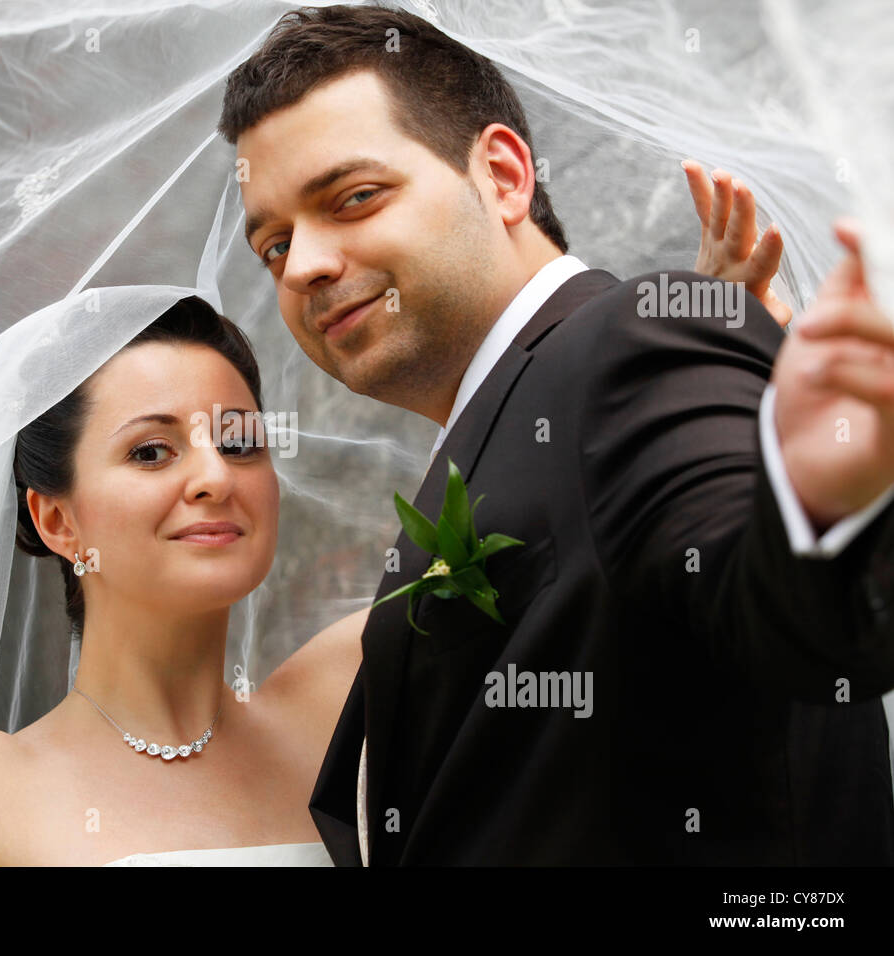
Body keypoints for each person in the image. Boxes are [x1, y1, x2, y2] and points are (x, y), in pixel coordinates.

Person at [0, 156, 780, 863]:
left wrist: (688, 369)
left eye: (240, 440)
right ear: (57, 519)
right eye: (152, 449)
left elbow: (598, 578)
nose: (214, 474)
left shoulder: (355, 677)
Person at [219, 3, 894, 865]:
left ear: (503, 176)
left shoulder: (638, 341)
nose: (305, 264)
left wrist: (832, 500)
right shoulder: (539, 395)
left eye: (353, 198)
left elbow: (767, 597)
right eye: (273, 246)